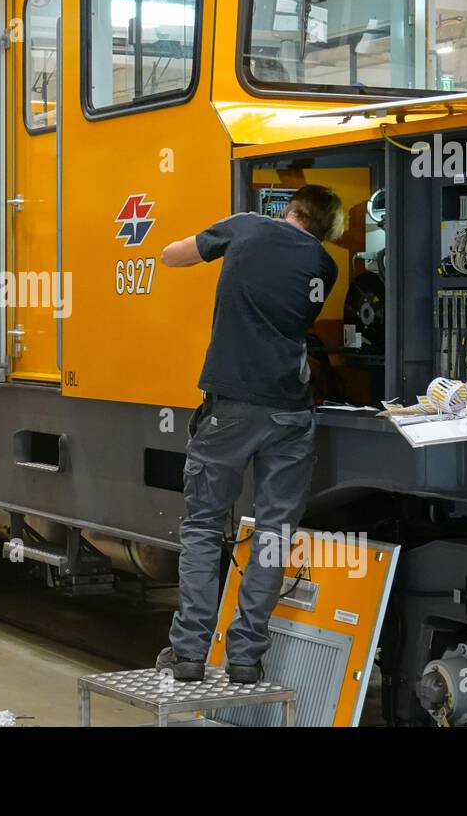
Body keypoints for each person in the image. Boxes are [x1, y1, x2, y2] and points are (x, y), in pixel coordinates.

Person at [155, 185, 344, 684]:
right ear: (326, 228)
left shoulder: (246, 226)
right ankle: (245, 658)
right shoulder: (327, 266)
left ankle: (189, 652)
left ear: (290, 208)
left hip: (231, 409)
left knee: (201, 527)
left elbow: (172, 256)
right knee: (274, 535)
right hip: (291, 414)